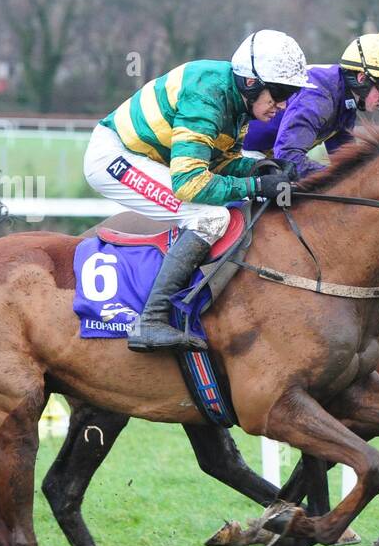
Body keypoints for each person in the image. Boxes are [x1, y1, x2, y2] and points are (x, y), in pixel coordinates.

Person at [83, 29, 312, 352]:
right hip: (115, 157)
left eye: (291, 93)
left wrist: (259, 168)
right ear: (250, 82)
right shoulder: (207, 94)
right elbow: (190, 183)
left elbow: (220, 162)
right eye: (278, 92)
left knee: (241, 181)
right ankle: (150, 321)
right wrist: (257, 186)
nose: (283, 104)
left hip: (151, 157)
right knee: (210, 218)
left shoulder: (238, 100)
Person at [243, 32, 379, 176]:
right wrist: (336, 178)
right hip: (243, 152)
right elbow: (288, 157)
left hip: (269, 154)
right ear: (361, 78)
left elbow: (346, 159)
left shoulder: (345, 98)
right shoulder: (320, 97)